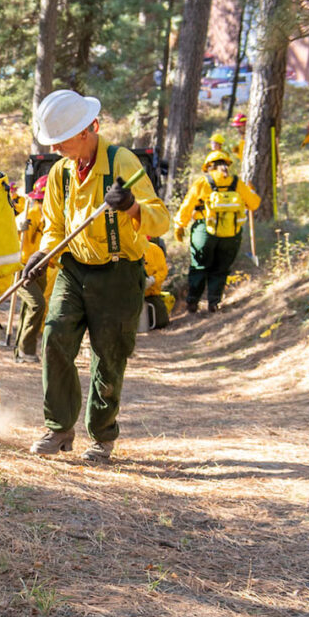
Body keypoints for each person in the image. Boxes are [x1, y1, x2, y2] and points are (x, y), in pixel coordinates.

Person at [22, 89, 169, 462]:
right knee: (54, 338)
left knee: (109, 356)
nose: (55, 150)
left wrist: (133, 206)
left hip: (119, 275)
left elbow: (161, 217)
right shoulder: (60, 174)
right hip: (73, 270)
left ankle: (102, 437)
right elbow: (56, 226)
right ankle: (58, 428)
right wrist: (43, 253)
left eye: (61, 141)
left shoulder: (123, 163)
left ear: (89, 130)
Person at [173, 151, 260, 313]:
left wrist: (179, 225)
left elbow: (187, 205)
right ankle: (214, 303)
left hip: (204, 232)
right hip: (231, 234)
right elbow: (254, 204)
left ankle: (192, 303)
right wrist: (251, 192)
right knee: (221, 268)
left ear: (208, 167)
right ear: (226, 164)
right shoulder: (237, 183)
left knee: (199, 266)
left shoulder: (202, 182)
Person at [13, 174, 49, 364]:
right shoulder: (29, 214)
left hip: (40, 268)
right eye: (40, 200)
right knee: (37, 304)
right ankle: (26, 349)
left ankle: (20, 351)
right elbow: (10, 230)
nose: (42, 203)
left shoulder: (53, 216)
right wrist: (17, 227)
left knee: (29, 307)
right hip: (23, 268)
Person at [142, 236, 171, 329]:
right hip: (129, 298)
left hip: (150, 295)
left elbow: (163, 271)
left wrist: (153, 280)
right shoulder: (124, 251)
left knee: (161, 321)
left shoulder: (154, 249)